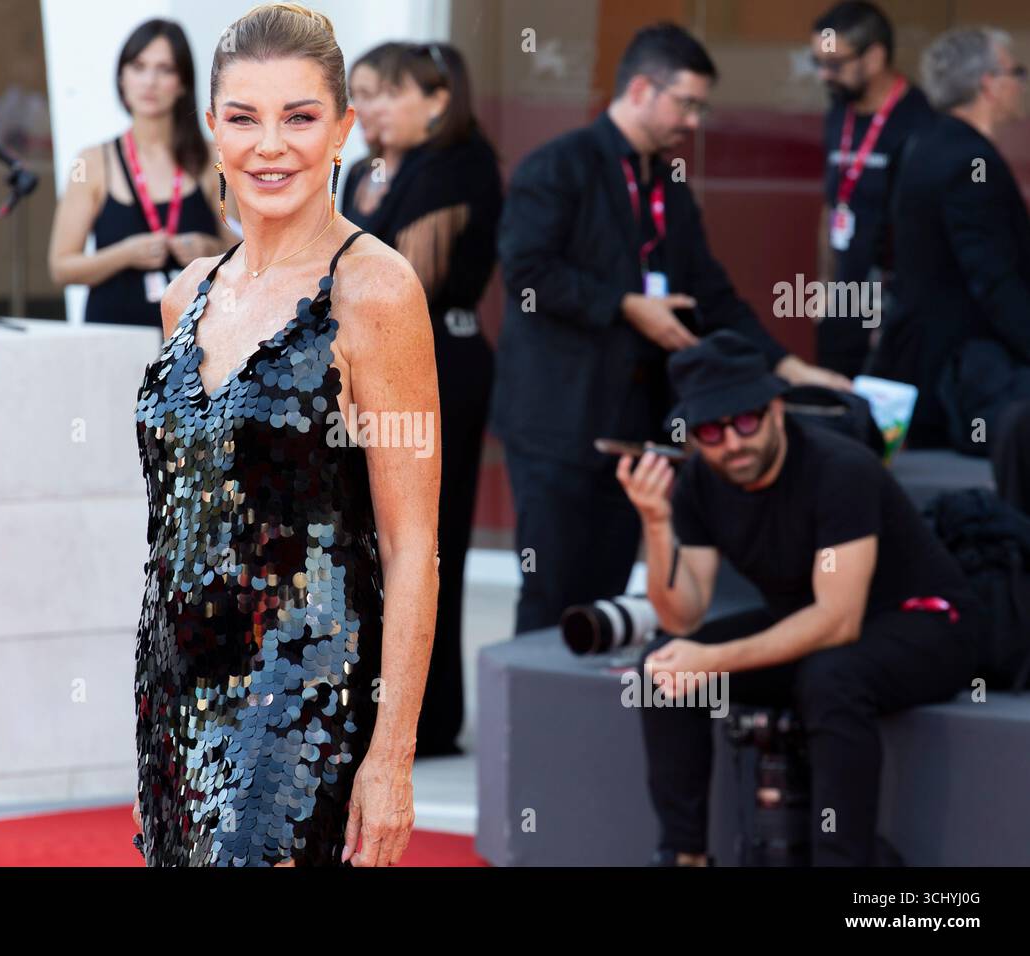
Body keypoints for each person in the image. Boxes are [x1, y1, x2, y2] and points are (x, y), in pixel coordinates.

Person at [130, 2, 439, 867]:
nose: (271, 146)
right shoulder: (185, 293)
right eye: (245, 118)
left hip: (306, 698)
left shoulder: (375, 291)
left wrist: (393, 755)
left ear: (344, 128)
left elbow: (412, 545)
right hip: (173, 689)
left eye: (300, 118)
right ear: (213, 131)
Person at [491, 22, 850, 636]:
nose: (695, 122)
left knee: (605, 597)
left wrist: (788, 368)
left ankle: (585, 726)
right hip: (560, 424)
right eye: (687, 103)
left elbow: (711, 293)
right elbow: (528, 271)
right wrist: (627, 306)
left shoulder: (668, 184)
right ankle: (525, 724)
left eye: (701, 107)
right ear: (641, 89)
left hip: (638, 429)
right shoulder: (560, 165)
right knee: (552, 589)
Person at [617, 330, 979, 866]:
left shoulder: (840, 469)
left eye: (744, 420)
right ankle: (683, 855)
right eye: (712, 430)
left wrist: (712, 660)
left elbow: (839, 621)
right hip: (815, 622)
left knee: (831, 677)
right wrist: (655, 521)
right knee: (664, 671)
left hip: (924, 624)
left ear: (775, 410)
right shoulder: (700, 482)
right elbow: (684, 614)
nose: (732, 442)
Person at [344, 42, 501, 757]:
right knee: (366, 539)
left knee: (425, 541)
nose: (369, 108)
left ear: (437, 99)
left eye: (385, 93)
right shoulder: (363, 174)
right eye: (362, 93)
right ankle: (367, 707)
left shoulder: (460, 163)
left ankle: (426, 721)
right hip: (362, 368)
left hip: (439, 367)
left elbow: (405, 278)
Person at [868, 27, 1030, 452]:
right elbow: (992, 280)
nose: (1021, 85)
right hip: (958, 377)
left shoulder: (920, 143)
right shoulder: (970, 160)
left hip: (925, 366)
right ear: (989, 84)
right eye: (1017, 72)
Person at [48, 19, 232, 327]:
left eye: (165, 69)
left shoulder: (215, 157)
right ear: (122, 77)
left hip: (197, 342)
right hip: (114, 339)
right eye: (138, 66)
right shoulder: (92, 162)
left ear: (183, 83)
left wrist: (210, 250)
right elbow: (61, 267)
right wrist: (124, 254)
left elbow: (250, 253)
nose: (150, 81)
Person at [809, 1, 932, 378]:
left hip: (895, 311)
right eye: (818, 64)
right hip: (843, 303)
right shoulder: (838, 114)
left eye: (834, 65)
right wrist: (823, 287)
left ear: (875, 57)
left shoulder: (919, 120)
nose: (823, 76)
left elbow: (927, 231)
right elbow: (833, 206)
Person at [339, 41, 406, 225]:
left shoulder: (422, 174)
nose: (356, 108)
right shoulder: (357, 172)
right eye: (354, 96)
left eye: (367, 95)